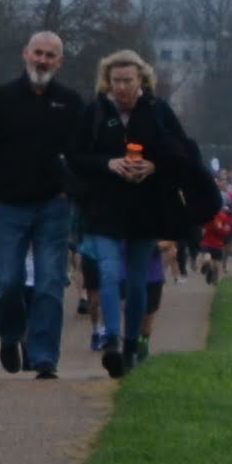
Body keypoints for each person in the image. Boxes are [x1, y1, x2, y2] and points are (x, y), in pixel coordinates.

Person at [0, 30, 86, 378]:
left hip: (53, 207)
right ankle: (11, 335)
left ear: (59, 62)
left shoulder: (71, 103)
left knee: (49, 283)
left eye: (50, 56)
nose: (42, 61)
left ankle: (44, 357)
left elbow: (85, 154)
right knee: (8, 282)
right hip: (8, 206)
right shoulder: (0, 98)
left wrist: (72, 189)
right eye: (38, 53)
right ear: (26, 53)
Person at [67, 49, 207, 378]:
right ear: (107, 81)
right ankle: (112, 341)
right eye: (115, 80)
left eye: (127, 80)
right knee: (110, 273)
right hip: (104, 208)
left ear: (141, 79)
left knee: (138, 280)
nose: (121, 87)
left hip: (146, 208)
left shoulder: (158, 111)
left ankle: (131, 345)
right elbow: (75, 156)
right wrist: (108, 163)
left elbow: (183, 151)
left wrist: (154, 165)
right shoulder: (95, 112)